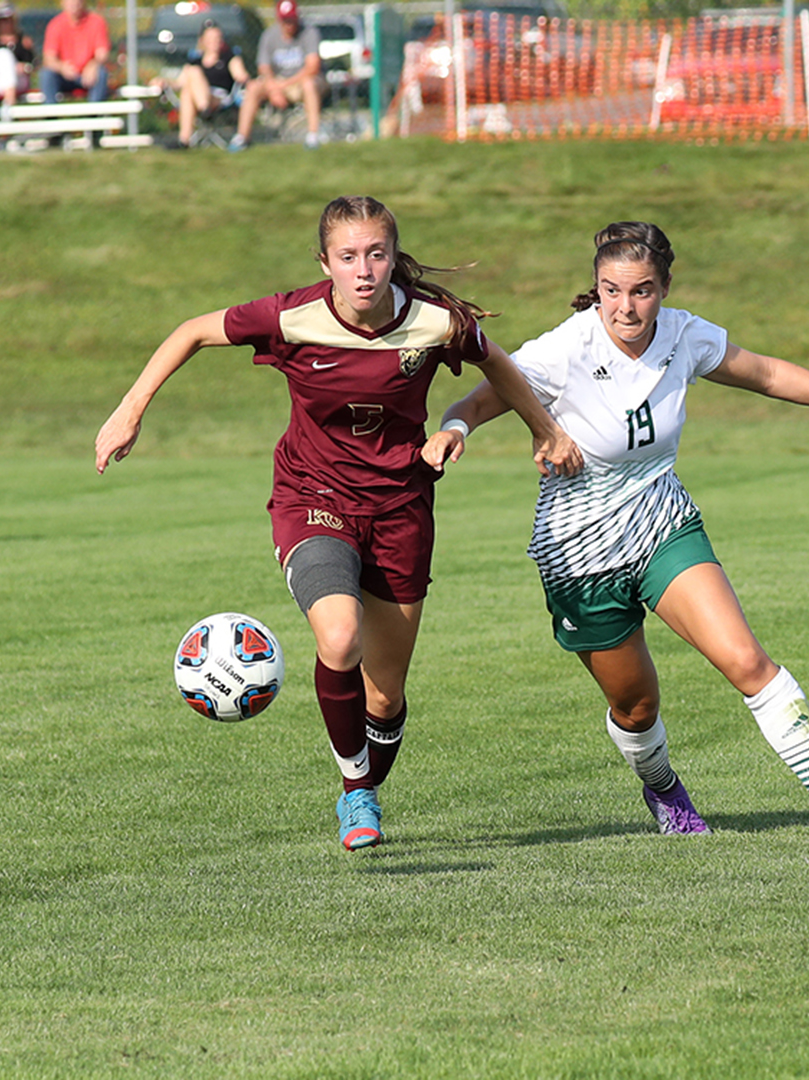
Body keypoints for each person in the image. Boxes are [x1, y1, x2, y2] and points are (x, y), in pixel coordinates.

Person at [93, 196, 582, 852]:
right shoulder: (291, 318)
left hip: (401, 508)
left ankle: (364, 787)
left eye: (376, 254)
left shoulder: (435, 324)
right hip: (312, 498)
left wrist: (543, 428)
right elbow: (191, 331)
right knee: (340, 637)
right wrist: (130, 410)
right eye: (348, 257)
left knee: (384, 699)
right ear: (325, 263)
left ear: (391, 259)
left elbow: (497, 362)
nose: (364, 270)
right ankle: (356, 791)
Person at [426, 222, 809, 846]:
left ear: (664, 287)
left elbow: (768, 374)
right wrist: (454, 430)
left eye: (640, 291)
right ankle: (664, 787)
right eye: (611, 290)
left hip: (663, 523)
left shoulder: (684, 335)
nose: (625, 307)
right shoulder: (567, 349)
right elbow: (477, 400)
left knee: (747, 661)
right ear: (596, 289)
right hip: (578, 553)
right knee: (636, 709)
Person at [230, 0, 320, 152]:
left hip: (298, 83)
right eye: (285, 21)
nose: (289, 24)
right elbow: (264, 68)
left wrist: (283, 86)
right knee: (253, 88)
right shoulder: (270, 35)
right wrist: (273, 89)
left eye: (291, 20)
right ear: (279, 19)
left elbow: (312, 67)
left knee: (309, 84)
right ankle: (242, 137)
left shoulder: (309, 33)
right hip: (277, 83)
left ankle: (313, 136)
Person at [169, 20, 246, 148]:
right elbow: (179, 83)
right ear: (202, 40)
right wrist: (163, 81)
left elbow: (240, 74)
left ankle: (203, 110)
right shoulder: (195, 60)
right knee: (187, 90)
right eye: (210, 38)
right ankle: (184, 140)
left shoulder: (228, 57)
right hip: (199, 98)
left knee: (193, 72)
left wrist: (242, 76)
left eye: (217, 38)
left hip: (219, 98)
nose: (215, 41)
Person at [40, 0, 109, 104]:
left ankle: (94, 115)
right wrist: (62, 67)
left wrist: (93, 64)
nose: (74, 3)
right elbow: (49, 58)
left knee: (101, 73)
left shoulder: (96, 22)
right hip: (64, 76)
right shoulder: (55, 24)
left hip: (88, 76)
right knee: (47, 74)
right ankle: (50, 115)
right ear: (62, 3)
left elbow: (102, 52)